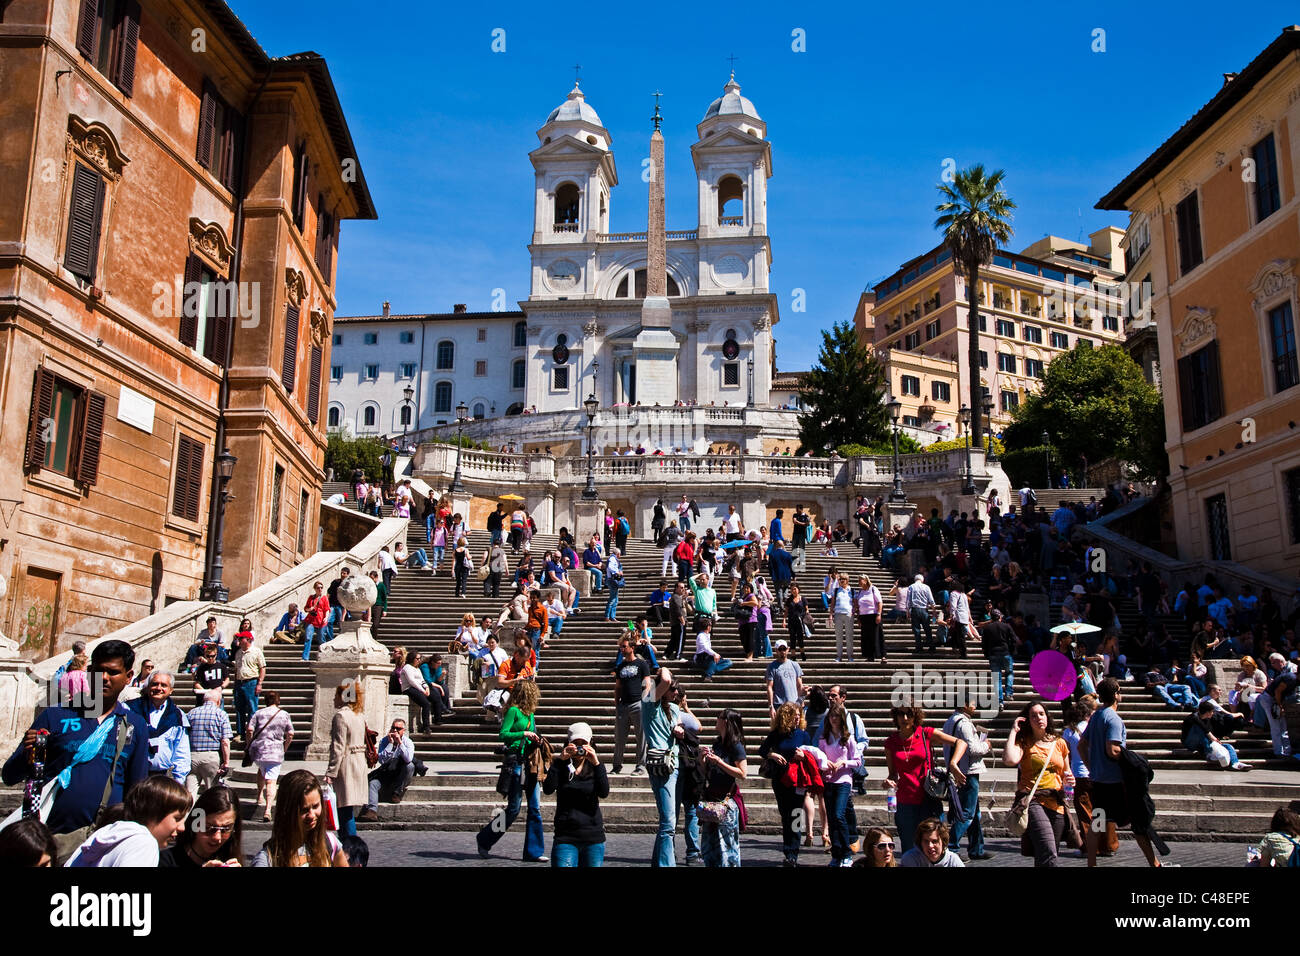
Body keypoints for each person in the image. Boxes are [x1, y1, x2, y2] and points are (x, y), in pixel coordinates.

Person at [3, 639, 149, 840]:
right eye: (99, 670)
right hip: (49, 840)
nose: (104, 678)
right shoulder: (55, 716)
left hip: (102, 841)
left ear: (128, 677)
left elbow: (136, 791)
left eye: (113, 672)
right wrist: (28, 753)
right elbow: (10, 776)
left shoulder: (135, 726)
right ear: (89, 672)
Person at [1080, 678, 1162, 868]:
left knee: (1097, 823)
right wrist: (1134, 762)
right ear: (1116, 694)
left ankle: (1091, 864)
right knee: (1139, 824)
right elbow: (1113, 750)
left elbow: (1081, 744)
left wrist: (1092, 767)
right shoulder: (1113, 719)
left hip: (1099, 780)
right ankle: (1154, 864)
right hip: (1117, 783)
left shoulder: (1097, 715)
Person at [475, 679, 547, 862]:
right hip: (515, 761)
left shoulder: (530, 714)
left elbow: (534, 733)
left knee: (535, 808)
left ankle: (534, 851)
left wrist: (536, 739)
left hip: (530, 762)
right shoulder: (513, 711)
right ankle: (485, 838)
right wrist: (522, 733)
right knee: (513, 809)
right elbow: (503, 734)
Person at [883, 702, 964, 852]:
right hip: (905, 802)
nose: (905, 718)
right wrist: (889, 782)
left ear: (915, 716)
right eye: (901, 714)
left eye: (909, 714)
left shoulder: (926, 733)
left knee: (934, 848)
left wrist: (953, 763)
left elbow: (960, 742)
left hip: (928, 799)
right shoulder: (891, 742)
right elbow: (893, 774)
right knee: (909, 848)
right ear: (896, 716)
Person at [1002, 701, 1073, 866]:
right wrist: (1014, 731)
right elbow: (1010, 759)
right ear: (1027, 720)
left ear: (1047, 717)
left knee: (1046, 853)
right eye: (1033, 715)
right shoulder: (1025, 742)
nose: (1038, 718)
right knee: (1048, 850)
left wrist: (1069, 780)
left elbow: (1066, 773)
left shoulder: (1060, 743)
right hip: (1033, 801)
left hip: (1056, 803)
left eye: (1041, 714)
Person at [65, 774, 190, 867]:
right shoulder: (144, 844)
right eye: (177, 818)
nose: (182, 827)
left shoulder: (106, 832)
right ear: (153, 812)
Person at [543, 721, 609, 867]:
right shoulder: (560, 766)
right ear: (568, 743)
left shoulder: (596, 767)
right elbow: (547, 789)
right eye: (575, 743)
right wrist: (559, 761)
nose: (579, 748)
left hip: (593, 835)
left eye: (583, 743)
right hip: (566, 836)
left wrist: (596, 763)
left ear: (591, 743)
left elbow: (604, 792)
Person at [252, 769, 348, 867]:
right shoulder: (267, 859)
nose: (311, 815)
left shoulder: (330, 843)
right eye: (304, 810)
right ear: (287, 811)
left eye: (315, 806)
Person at [758, 702, 813, 867]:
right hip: (780, 779)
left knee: (796, 813)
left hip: (798, 781)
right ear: (785, 716)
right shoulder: (776, 734)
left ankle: (792, 852)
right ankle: (788, 847)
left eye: (799, 715)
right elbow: (762, 750)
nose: (797, 718)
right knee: (785, 814)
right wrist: (773, 755)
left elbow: (813, 754)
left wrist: (803, 755)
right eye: (794, 715)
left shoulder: (803, 735)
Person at [942, 695, 990, 860]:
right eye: (972, 703)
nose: (975, 705)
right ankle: (951, 848)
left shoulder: (949, 721)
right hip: (967, 772)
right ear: (964, 705)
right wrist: (986, 745)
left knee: (974, 812)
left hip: (958, 770)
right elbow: (973, 749)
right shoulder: (964, 724)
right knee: (968, 813)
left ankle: (976, 848)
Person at [698, 709, 747, 867]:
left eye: (718, 717)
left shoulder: (736, 746)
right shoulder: (718, 743)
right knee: (709, 846)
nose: (716, 719)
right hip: (711, 801)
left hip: (726, 803)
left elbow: (742, 773)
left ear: (725, 721)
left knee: (727, 848)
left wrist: (719, 761)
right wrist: (702, 759)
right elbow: (708, 771)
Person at [126, 670, 190, 784]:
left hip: (161, 778)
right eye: (155, 684)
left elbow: (181, 752)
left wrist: (179, 781)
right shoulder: (130, 709)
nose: (158, 688)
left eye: (164, 685)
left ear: (171, 690)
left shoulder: (178, 716)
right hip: (131, 775)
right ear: (148, 686)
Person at [323, 680, 369, 838]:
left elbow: (338, 747)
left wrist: (331, 772)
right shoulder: (359, 716)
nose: (333, 699)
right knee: (346, 808)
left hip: (346, 765)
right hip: (358, 762)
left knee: (343, 808)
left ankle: (351, 847)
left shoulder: (341, 716)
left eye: (336, 695)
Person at [819, 703, 863, 866]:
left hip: (844, 780)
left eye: (836, 716)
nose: (833, 719)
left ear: (842, 718)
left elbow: (857, 761)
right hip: (829, 779)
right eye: (831, 716)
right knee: (831, 818)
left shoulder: (848, 738)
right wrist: (826, 763)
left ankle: (846, 852)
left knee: (839, 814)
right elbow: (820, 758)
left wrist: (843, 763)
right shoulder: (824, 739)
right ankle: (836, 853)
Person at [160, 784, 243, 867]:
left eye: (226, 829)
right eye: (209, 828)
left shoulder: (230, 859)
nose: (217, 837)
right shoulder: (165, 860)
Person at [245, 690, 293, 821]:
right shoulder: (284, 714)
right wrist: (285, 747)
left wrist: (249, 744)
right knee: (271, 780)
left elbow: (249, 729)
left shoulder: (258, 713)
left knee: (261, 770)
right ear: (278, 700)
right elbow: (290, 733)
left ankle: (259, 795)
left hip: (260, 750)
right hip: (275, 751)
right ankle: (268, 810)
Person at [358, 718, 415, 822]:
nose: (395, 731)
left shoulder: (408, 742)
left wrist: (400, 743)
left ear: (403, 730)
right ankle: (372, 811)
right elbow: (381, 760)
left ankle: (397, 792)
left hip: (400, 775)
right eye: (393, 728)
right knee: (373, 783)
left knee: (410, 766)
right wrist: (390, 744)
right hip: (386, 773)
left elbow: (408, 759)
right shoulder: (385, 741)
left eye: (398, 728)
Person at [611, 637, 651, 775]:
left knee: (641, 736)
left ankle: (641, 765)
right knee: (619, 737)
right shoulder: (620, 666)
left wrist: (644, 702)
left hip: (637, 703)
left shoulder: (641, 664)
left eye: (624, 646)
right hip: (623, 704)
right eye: (621, 647)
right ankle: (617, 765)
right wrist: (617, 703)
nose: (622, 649)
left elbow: (648, 683)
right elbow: (617, 687)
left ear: (632, 648)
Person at [186, 688, 231, 797]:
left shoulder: (192, 713)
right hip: (211, 756)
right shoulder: (221, 714)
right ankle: (208, 814)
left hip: (192, 756)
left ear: (203, 701)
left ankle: (188, 813)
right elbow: (225, 741)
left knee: (190, 793)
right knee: (212, 794)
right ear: (218, 702)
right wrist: (226, 762)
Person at [230, 627, 264, 741]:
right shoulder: (238, 653)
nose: (239, 641)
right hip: (239, 682)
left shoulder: (256, 651)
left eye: (241, 638)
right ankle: (240, 733)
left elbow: (262, 668)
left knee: (252, 708)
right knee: (239, 709)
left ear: (248, 640)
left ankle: (251, 731)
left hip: (251, 681)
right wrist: (235, 684)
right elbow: (236, 669)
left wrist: (259, 683)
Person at [980, 610, 1017, 706]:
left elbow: (984, 643)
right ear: (1000, 617)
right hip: (1005, 652)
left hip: (993, 654)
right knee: (1009, 673)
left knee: (997, 678)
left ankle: (1000, 702)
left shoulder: (987, 628)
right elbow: (1014, 640)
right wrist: (1012, 651)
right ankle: (1008, 693)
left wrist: (986, 654)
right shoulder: (1006, 626)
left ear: (991, 618)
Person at [898, 818, 964, 867]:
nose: (930, 845)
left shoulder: (953, 861)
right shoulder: (910, 858)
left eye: (934, 841)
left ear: (943, 842)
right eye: (926, 841)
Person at [766, 640, 806, 719]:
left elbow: (799, 685)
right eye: (780, 649)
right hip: (779, 704)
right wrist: (771, 706)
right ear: (776, 650)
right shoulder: (771, 667)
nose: (782, 651)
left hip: (794, 703)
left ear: (788, 649)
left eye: (784, 649)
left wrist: (802, 701)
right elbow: (770, 687)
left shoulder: (795, 665)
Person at [398, 650, 435, 733]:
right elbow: (412, 681)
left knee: (434, 697)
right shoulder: (407, 667)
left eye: (419, 658)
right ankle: (426, 727)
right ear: (412, 659)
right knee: (426, 704)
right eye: (417, 659)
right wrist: (422, 690)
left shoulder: (417, 669)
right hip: (409, 689)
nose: (419, 660)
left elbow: (422, 680)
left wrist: (427, 687)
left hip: (418, 689)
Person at [825, 571, 855, 662]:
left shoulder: (852, 590)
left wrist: (854, 611)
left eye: (844, 579)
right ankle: (839, 656)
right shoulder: (836, 590)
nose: (842, 581)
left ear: (847, 580)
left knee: (849, 636)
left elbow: (855, 603)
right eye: (841, 579)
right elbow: (832, 604)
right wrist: (830, 615)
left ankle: (850, 656)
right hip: (838, 614)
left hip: (848, 614)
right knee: (839, 637)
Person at [856, 574, 884, 662]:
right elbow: (857, 605)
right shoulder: (860, 592)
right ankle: (870, 656)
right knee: (866, 637)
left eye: (861, 580)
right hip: (864, 616)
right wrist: (859, 618)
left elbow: (879, 602)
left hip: (873, 615)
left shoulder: (873, 589)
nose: (859, 582)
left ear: (866, 580)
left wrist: (879, 614)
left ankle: (882, 655)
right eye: (859, 580)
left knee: (876, 635)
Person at [907, 573, 937, 654]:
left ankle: (919, 647)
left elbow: (908, 601)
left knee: (916, 629)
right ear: (922, 580)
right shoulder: (926, 587)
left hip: (915, 609)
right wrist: (934, 611)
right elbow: (931, 600)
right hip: (924, 610)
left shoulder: (911, 587)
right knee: (927, 628)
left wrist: (907, 611)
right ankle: (931, 646)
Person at [302, 581, 331, 660]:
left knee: (321, 639)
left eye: (321, 587)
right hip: (310, 620)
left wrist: (326, 617)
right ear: (315, 589)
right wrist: (309, 609)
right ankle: (305, 657)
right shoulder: (311, 598)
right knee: (308, 638)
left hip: (321, 621)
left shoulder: (324, 598)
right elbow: (305, 608)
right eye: (318, 588)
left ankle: (323, 656)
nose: (320, 589)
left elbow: (327, 609)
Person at [785, 583, 813, 661]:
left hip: (800, 621)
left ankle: (802, 653)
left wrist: (806, 614)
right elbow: (786, 611)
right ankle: (793, 655)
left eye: (795, 589)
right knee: (792, 638)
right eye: (792, 589)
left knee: (800, 638)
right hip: (791, 620)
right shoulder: (789, 600)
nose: (793, 591)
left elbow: (806, 609)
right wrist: (784, 620)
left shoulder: (803, 599)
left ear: (798, 589)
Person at [605, 548, 625, 620]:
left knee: (615, 600)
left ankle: (612, 616)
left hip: (613, 580)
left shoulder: (614, 559)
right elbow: (610, 567)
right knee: (612, 599)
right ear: (618, 554)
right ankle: (607, 616)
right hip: (612, 580)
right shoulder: (612, 558)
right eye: (619, 554)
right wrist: (617, 572)